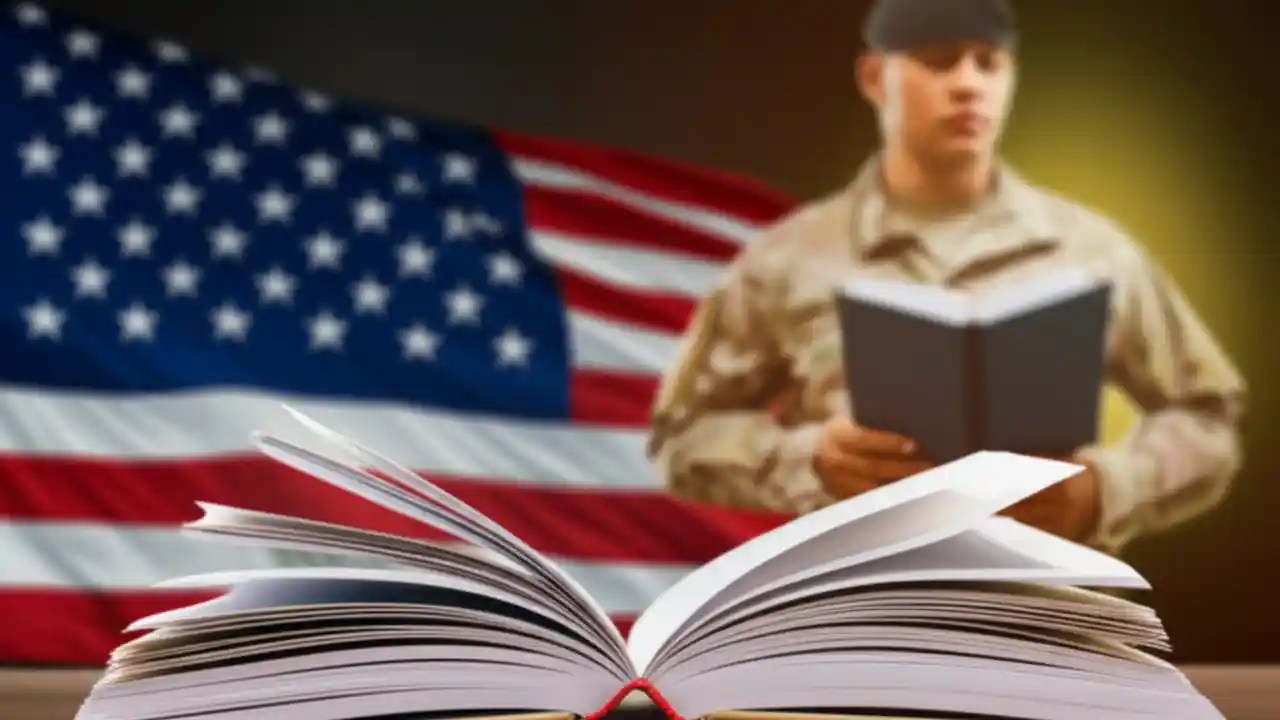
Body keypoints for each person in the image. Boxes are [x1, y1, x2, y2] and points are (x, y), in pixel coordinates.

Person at [646, 0, 1247, 554]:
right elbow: (682, 436)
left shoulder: (1093, 251)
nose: (967, 84)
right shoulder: (787, 260)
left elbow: (1209, 417)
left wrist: (1107, 489)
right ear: (876, 78)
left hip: (1043, 620)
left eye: (988, 64)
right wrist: (808, 460)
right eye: (939, 63)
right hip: (861, 624)